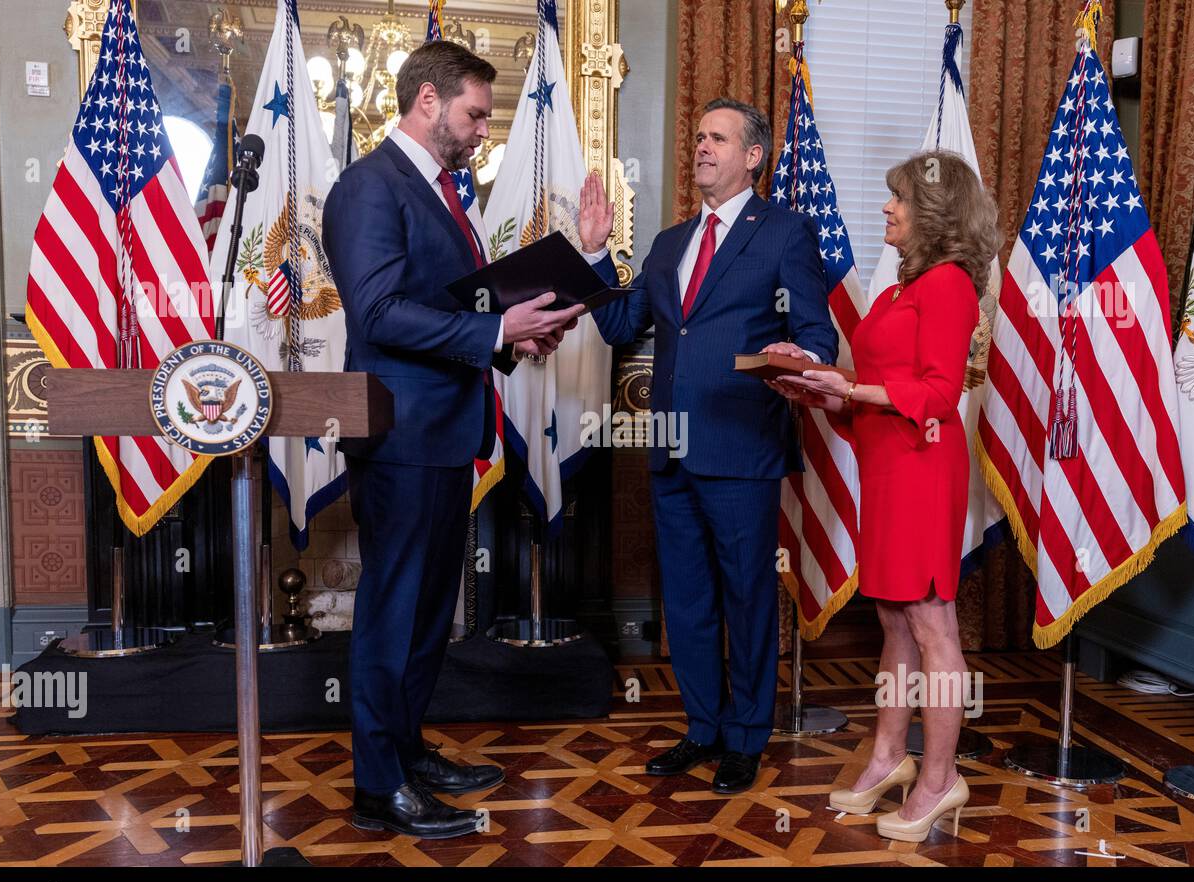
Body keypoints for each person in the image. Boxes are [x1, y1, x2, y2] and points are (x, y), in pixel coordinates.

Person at [323, 41, 585, 838]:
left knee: (431, 613)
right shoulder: (370, 186)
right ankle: (378, 787)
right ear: (428, 101)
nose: (480, 131)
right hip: (401, 438)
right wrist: (494, 325)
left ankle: (404, 751)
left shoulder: (441, 191)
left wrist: (508, 337)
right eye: (474, 114)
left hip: (440, 433)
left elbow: (450, 308)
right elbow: (375, 312)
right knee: (394, 613)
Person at [578, 98, 838, 794]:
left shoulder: (785, 232)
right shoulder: (669, 244)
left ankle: (748, 736)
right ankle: (703, 726)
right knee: (688, 599)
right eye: (697, 136)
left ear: (754, 156)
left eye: (717, 138)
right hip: (670, 448)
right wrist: (598, 254)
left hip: (743, 446)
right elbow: (619, 326)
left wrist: (801, 354)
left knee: (748, 596)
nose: (701, 147)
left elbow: (818, 335)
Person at [768, 150, 1000, 841]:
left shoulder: (951, 284)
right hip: (885, 465)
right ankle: (887, 755)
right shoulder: (901, 290)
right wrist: (815, 388)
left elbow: (937, 391)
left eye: (897, 198)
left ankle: (939, 776)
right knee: (896, 620)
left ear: (933, 211)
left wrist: (849, 388)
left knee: (933, 624)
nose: (885, 208)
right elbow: (874, 395)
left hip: (924, 468)